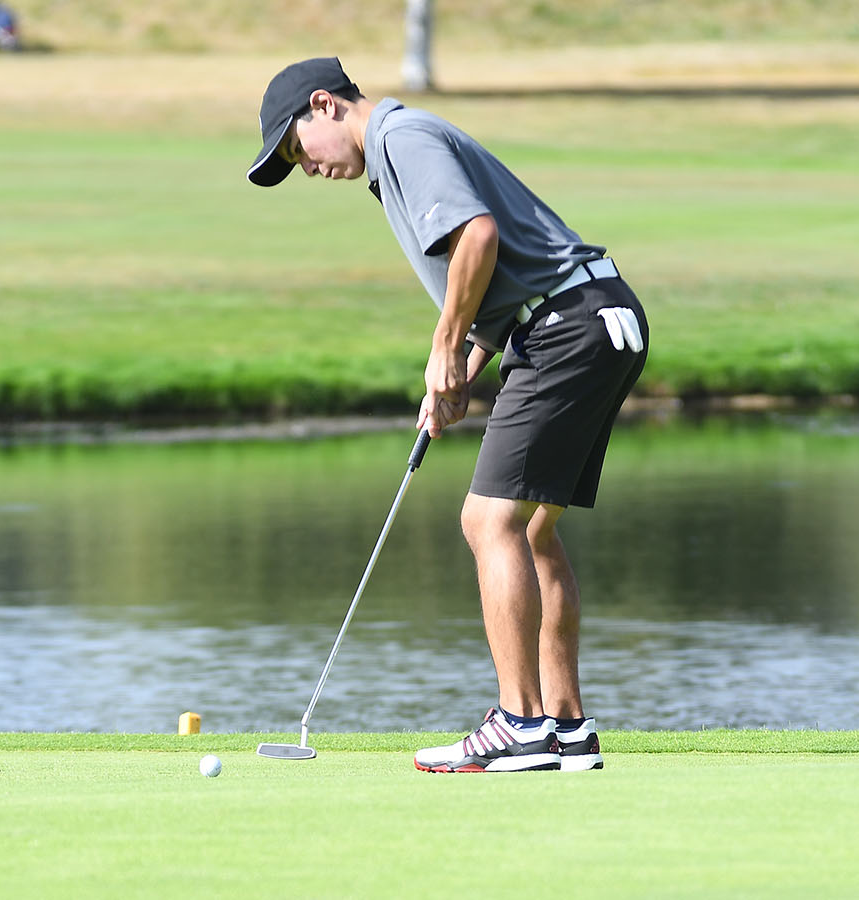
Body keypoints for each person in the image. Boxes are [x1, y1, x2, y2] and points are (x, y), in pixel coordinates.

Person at [247, 58, 648, 773]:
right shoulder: (399, 154)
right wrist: (462, 371)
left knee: (485, 521)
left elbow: (479, 237)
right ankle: (565, 726)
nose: (305, 168)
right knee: (531, 527)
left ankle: (519, 726)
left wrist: (440, 345)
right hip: (599, 316)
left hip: (566, 327)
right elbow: (502, 289)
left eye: (296, 149)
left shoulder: (402, 138)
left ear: (325, 107)